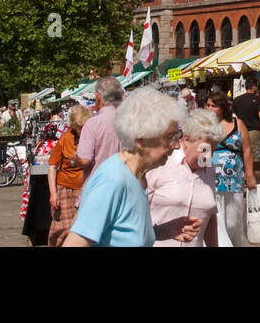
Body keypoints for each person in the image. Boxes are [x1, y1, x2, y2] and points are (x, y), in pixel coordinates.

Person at [64, 89, 199, 247]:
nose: (177, 145)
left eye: (178, 135)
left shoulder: (138, 177)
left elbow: (123, 236)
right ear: (141, 139)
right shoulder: (112, 180)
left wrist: (163, 231)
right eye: (170, 137)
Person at [147, 108, 221, 247]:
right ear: (186, 140)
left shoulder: (209, 169)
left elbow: (210, 217)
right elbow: (139, 211)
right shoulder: (161, 164)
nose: (209, 157)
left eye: (214, 150)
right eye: (204, 149)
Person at [208, 89, 255, 247]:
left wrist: (250, 176)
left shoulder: (237, 123)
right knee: (217, 219)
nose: (209, 109)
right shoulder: (205, 126)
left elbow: (247, 150)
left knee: (233, 221)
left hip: (234, 180)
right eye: (207, 105)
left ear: (222, 107)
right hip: (211, 179)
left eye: (213, 106)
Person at [48, 105, 91, 246]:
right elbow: (52, 167)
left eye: (84, 127)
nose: (82, 131)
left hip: (86, 189)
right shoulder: (65, 139)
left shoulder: (92, 138)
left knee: (84, 230)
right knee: (62, 229)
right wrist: (53, 194)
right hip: (65, 190)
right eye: (79, 128)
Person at [77, 76, 125, 183]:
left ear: (98, 97)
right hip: (125, 185)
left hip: (98, 186)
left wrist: (74, 161)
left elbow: (85, 160)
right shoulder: (131, 120)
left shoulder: (93, 124)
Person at [232, 79, 260, 183]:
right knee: (256, 161)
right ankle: (258, 185)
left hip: (240, 132)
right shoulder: (258, 99)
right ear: (254, 87)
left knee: (242, 159)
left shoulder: (236, 100)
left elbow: (233, 117)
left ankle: (244, 184)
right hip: (254, 132)